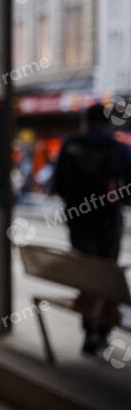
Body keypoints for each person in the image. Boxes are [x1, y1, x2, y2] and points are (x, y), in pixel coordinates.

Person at [53, 102, 131, 355]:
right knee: (107, 276)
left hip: (80, 223)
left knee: (87, 277)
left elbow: (58, 186)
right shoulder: (118, 148)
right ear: (107, 122)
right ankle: (103, 332)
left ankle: (89, 331)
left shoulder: (70, 145)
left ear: (85, 121)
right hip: (109, 223)